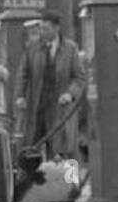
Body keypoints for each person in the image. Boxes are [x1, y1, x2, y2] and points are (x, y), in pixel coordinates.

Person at [14, 9, 86, 160]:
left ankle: (70, 183)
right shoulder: (33, 47)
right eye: (41, 28)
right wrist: (20, 96)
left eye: (45, 28)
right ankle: (33, 183)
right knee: (30, 152)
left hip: (60, 111)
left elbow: (79, 77)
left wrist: (70, 93)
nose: (42, 32)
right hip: (37, 110)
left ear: (56, 28)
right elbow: (23, 73)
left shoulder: (70, 49)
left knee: (65, 152)